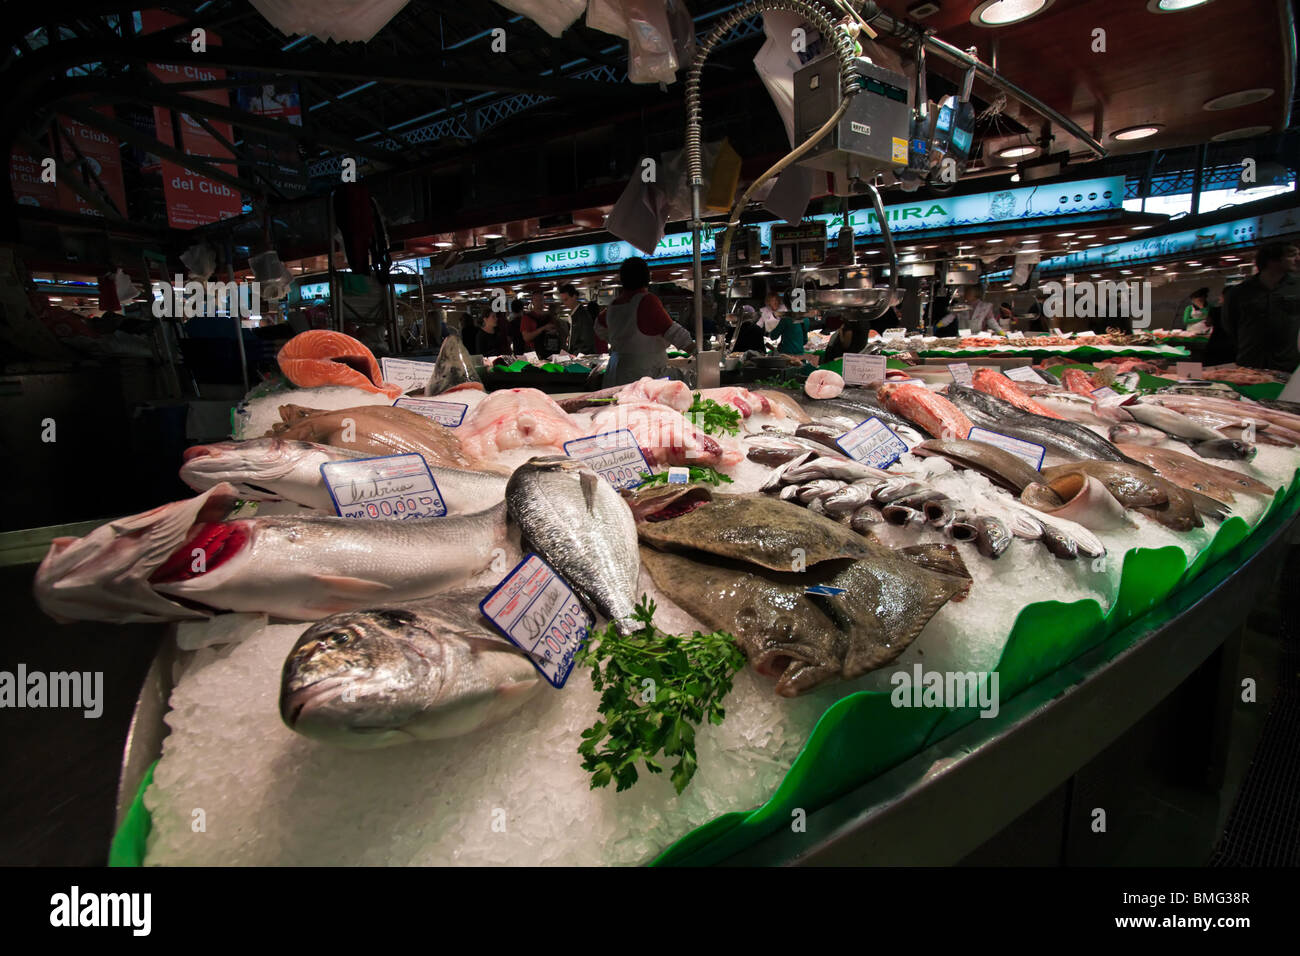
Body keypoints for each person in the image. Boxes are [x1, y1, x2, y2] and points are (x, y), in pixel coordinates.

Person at [594, 256, 694, 386]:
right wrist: (698, 351)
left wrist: (618, 341)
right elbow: (677, 335)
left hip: (616, 372)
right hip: (643, 375)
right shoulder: (647, 301)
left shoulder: (613, 305)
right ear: (648, 277)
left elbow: (598, 328)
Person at [1225, 242, 1300, 371]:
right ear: (1272, 260)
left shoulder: (1297, 288)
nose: (1298, 259)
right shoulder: (1239, 292)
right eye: (1292, 255)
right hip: (1250, 363)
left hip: (1287, 364)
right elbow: (1229, 326)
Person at [938, 285, 1003, 333]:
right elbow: (949, 318)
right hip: (962, 335)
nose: (965, 294)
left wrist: (1000, 332)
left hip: (978, 336)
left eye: (968, 293)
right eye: (966, 292)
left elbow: (991, 322)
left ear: (976, 294)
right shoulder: (960, 306)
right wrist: (939, 325)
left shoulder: (985, 306)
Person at [560, 283, 603, 355]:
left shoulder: (582, 315)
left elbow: (586, 341)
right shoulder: (575, 314)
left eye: (566, 299)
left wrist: (574, 355)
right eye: (563, 300)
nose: (564, 303)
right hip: (576, 356)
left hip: (582, 357)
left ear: (574, 297)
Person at [521, 292, 559, 358]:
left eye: (541, 300)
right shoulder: (527, 317)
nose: (539, 303)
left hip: (550, 352)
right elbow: (526, 338)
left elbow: (555, 333)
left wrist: (554, 332)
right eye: (536, 300)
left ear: (544, 301)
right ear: (532, 302)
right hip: (533, 353)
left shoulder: (549, 316)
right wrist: (543, 328)